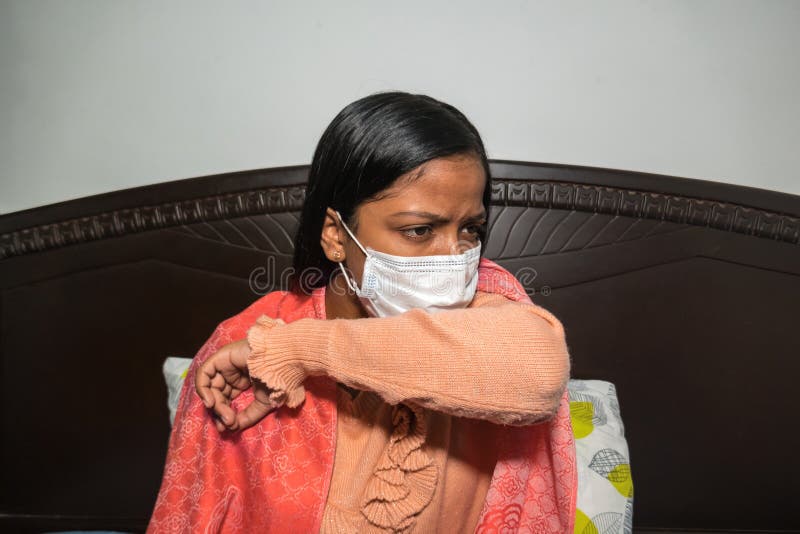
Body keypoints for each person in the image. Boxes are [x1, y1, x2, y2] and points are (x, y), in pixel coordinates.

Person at [147, 92, 576, 533]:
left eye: (470, 228)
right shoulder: (243, 343)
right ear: (335, 235)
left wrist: (297, 351)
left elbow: (540, 375)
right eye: (419, 230)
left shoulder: (490, 307)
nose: (453, 256)